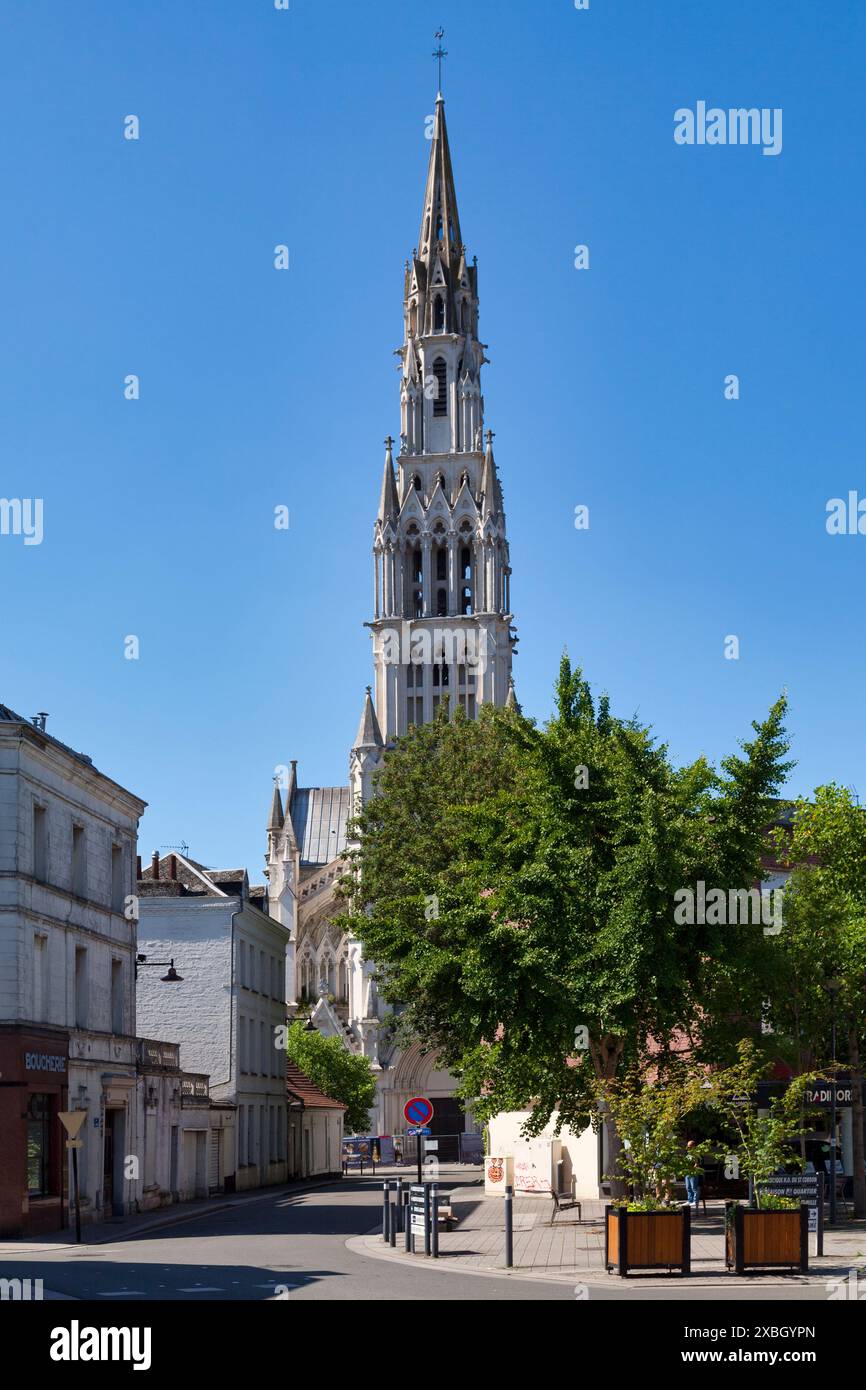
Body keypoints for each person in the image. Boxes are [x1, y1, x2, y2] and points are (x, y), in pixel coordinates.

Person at [684, 1140, 702, 1212]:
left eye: (690, 1146)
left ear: (694, 1146)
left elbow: (696, 1163)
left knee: (694, 1187)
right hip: (687, 1172)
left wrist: (692, 1170)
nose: (688, 1147)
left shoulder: (696, 1154)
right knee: (688, 1187)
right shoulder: (688, 1154)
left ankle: (695, 1201)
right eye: (688, 1146)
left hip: (693, 1172)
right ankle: (690, 1200)